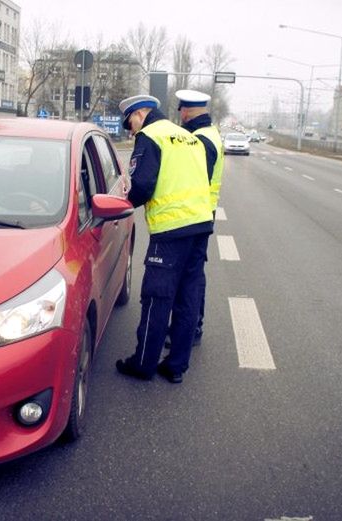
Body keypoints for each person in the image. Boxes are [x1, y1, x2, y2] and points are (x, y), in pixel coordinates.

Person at [114, 94, 215, 384]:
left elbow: (143, 184)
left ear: (141, 113)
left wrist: (122, 205)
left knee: (157, 298)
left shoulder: (150, 135)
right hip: (200, 225)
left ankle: (143, 364)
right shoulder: (188, 137)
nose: (131, 130)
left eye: (130, 122)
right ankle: (176, 366)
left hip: (171, 229)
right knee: (187, 297)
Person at [167, 89, 225, 347]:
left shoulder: (201, 141)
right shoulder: (208, 134)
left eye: (181, 109)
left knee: (189, 277)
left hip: (194, 215)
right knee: (193, 274)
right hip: (203, 212)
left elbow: (194, 178)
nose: (180, 114)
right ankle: (191, 327)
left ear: (187, 111)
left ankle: (188, 330)